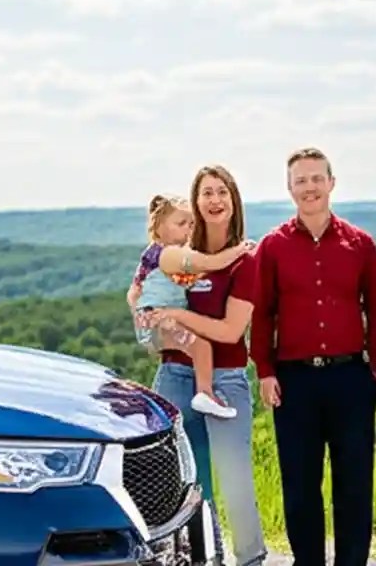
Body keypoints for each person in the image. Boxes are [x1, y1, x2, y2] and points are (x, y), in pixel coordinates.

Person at [249, 147, 376, 566]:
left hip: (351, 378)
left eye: (317, 178)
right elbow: (263, 313)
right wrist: (265, 369)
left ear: (331, 183)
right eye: (301, 180)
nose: (309, 187)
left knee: (354, 485)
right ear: (289, 188)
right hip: (294, 383)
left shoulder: (360, 244)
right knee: (299, 485)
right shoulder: (273, 247)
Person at [127, 165, 268, 566]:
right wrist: (147, 312)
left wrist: (175, 315)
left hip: (224, 377)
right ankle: (202, 557)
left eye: (222, 192)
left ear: (233, 199)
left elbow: (229, 330)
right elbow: (139, 299)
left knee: (234, 476)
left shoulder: (245, 260)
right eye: (206, 193)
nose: (214, 200)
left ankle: (251, 558)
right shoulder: (180, 256)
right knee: (185, 478)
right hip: (173, 374)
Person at [131, 193, 253, 419]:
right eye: (180, 224)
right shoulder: (170, 253)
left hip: (153, 319)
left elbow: (135, 291)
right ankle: (205, 393)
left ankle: (203, 393)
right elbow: (209, 263)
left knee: (195, 345)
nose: (187, 230)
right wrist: (239, 250)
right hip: (160, 317)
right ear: (159, 227)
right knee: (201, 344)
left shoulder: (152, 254)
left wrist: (139, 315)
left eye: (191, 224)